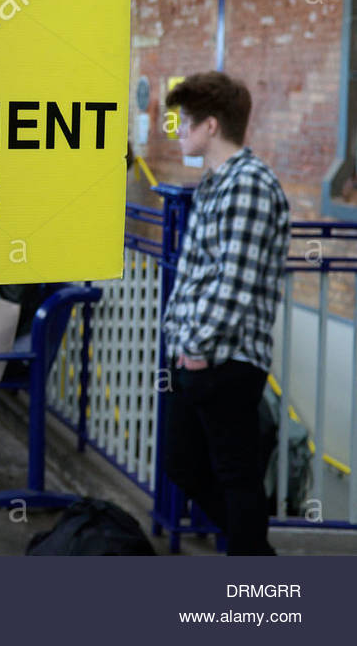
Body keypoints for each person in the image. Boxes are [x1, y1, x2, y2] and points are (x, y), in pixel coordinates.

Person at [161, 71, 289, 556]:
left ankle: (253, 578)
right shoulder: (218, 182)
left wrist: (195, 351)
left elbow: (235, 283)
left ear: (211, 126)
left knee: (235, 476)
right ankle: (254, 550)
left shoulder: (249, 185)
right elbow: (203, 273)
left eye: (185, 122)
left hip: (225, 360)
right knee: (183, 464)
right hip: (200, 355)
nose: (178, 131)